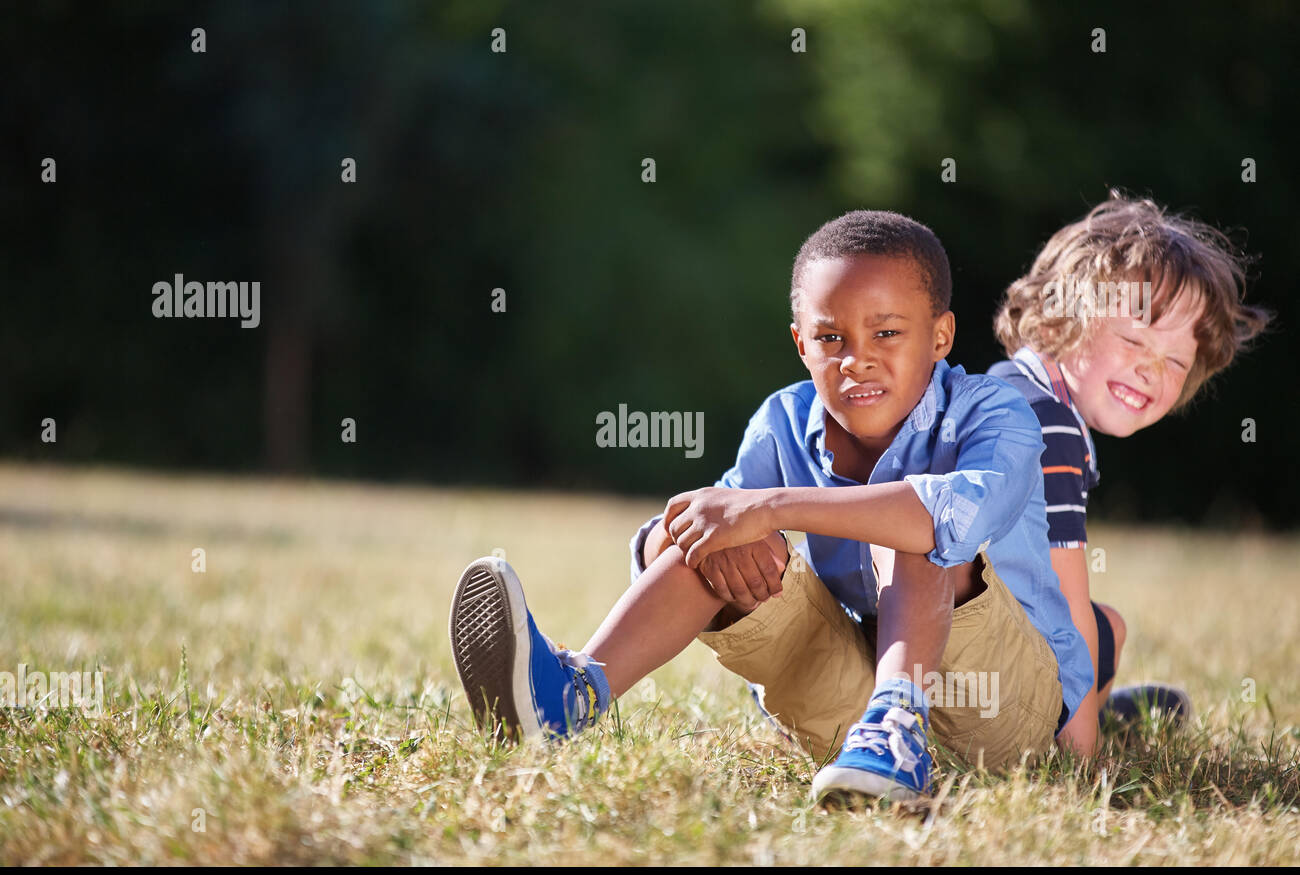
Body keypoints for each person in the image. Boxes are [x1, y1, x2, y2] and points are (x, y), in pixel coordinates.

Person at [448, 210, 1091, 802]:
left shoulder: (996, 414)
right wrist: (690, 536)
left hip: (1003, 714)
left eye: (887, 332)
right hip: (845, 709)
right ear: (800, 344)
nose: (856, 358)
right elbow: (711, 523)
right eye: (831, 337)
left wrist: (771, 508)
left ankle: (898, 725)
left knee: (909, 528)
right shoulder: (781, 421)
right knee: (727, 541)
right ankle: (571, 698)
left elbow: (944, 519)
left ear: (941, 334)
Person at [988, 191, 1272, 755]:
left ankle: (1082, 710)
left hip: (937, 634)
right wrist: (1086, 764)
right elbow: (1066, 620)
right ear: (1064, 319)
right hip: (965, 661)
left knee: (1106, 624)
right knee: (1099, 629)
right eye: (1134, 340)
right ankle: (1077, 728)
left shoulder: (1006, 386)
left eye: (1174, 361)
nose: (1150, 371)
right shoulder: (1052, 430)